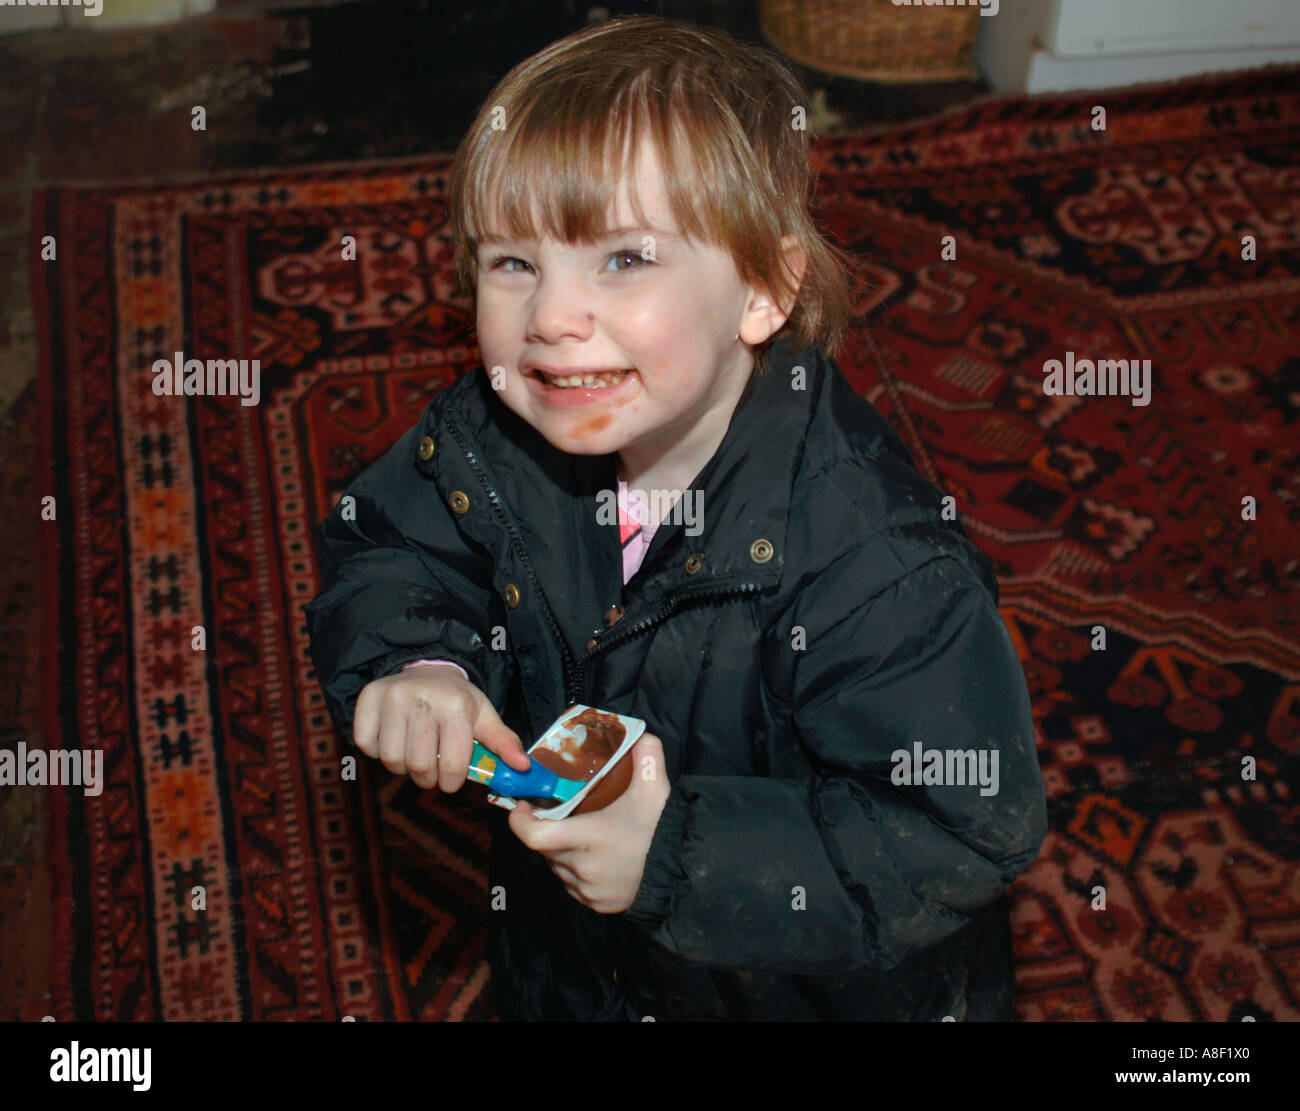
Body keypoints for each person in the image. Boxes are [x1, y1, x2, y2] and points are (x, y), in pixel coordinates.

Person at [305, 15, 1046, 1021]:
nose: (552, 316)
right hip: (572, 956)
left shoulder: (876, 565)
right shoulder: (490, 437)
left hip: (794, 985)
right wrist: (419, 661)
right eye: (509, 262)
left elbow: (962, 828)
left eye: (622, 259)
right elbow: (391, 544)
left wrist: (677, 854)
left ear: (763, 287)